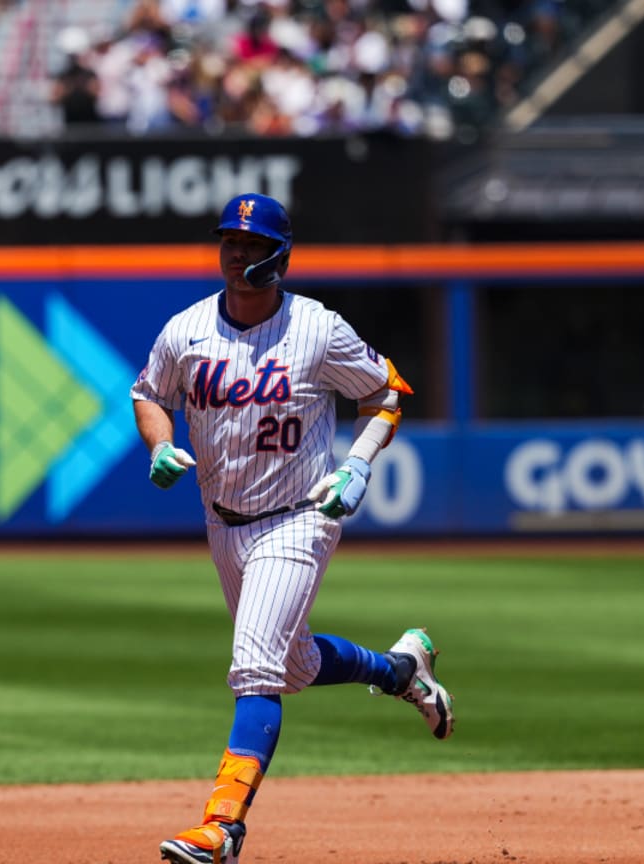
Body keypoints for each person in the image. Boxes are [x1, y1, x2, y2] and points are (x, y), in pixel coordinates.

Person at [130, 192, 455, 864]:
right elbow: (147, 393)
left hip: (298, 518)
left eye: (251, 244)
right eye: (230, 241)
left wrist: (358, 465)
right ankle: (402, 671)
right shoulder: (187, 329)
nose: (237, 253)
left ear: (278, 256)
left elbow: (387, 390)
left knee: (256, 670)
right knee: (296, 664)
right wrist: (158, 444)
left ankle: (222, 827)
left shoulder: (316, 328)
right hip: (224, 525)